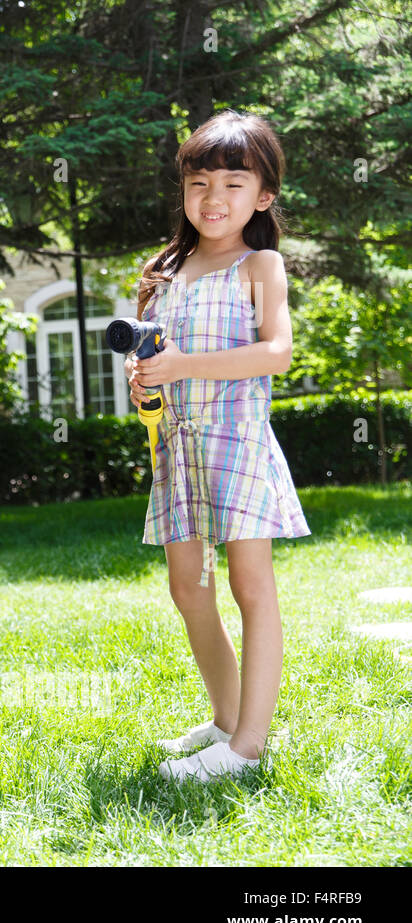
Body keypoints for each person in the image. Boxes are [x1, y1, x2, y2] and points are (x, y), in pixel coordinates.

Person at [125, 110, 309, 783]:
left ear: (262, 195)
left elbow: (276, 353)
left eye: (234, 183)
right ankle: (226, 720)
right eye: (199, 182)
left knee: (249, 584)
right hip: (177, 448)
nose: (213, 198)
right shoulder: (163, 270)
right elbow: (154, 359)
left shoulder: (260, 264)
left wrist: (183, 367)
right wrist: (145, 379)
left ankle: (249, 747)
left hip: (236, 444)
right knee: (188, 587)